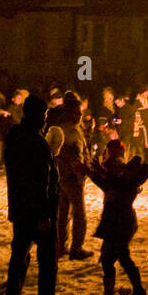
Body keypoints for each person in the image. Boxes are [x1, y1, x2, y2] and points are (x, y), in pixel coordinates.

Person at [4, 95, 60, 295]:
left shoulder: (15, 136)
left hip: (20, 207)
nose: (46, 120)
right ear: (39, 115)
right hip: (37, 210)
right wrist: (44, 214)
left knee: (19, 255)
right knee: (47, 262)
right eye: (45, 115)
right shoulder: (35, 142)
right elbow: (40, 182)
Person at [83, 139, 148, 295]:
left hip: (121, 224)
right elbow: (107, 183)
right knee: (109, 258)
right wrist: (94, 172)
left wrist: (94, 171)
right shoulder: (124, 181)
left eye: (127, 169)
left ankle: (136, 291)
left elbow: (109, 183)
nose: (124, 170)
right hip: (117, 222)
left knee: (119, 257)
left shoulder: (127, 185)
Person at [53, 91, 92, 260]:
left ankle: (61, 246)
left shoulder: (65, 126)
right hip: (71, 177)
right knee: (79, 214)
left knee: (62, 213)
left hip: (61, 176)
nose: (80, 115)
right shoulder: (69, 129)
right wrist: (82, 170)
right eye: (78, 112)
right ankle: (76, 248)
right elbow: (72, 154)